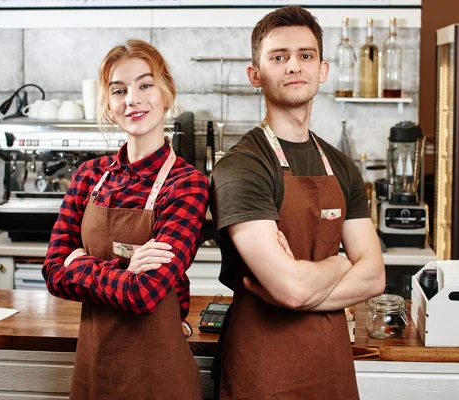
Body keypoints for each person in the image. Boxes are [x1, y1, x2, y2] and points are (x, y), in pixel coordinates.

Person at [210, 6, 385, 399]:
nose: (294, 66)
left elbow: (374, 276)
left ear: (322, 70)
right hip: (262, 367)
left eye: (305, 56)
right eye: (278, 57)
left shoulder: (341, 166)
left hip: (331, 365)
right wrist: (342, 263)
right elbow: (289, 288)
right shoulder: (242, 166)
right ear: (255, 75)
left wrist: (303, 285)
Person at [42, 39, 208, 400]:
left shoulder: (187, 184)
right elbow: (53, 271)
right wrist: (126, 269)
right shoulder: (89, 176)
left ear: (167, 92)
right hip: (94, 374)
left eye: (145, 85)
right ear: (109, 104)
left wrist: (80, 263)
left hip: (161, 380)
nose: (132, 99)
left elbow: (144, 295)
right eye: (119, 90)